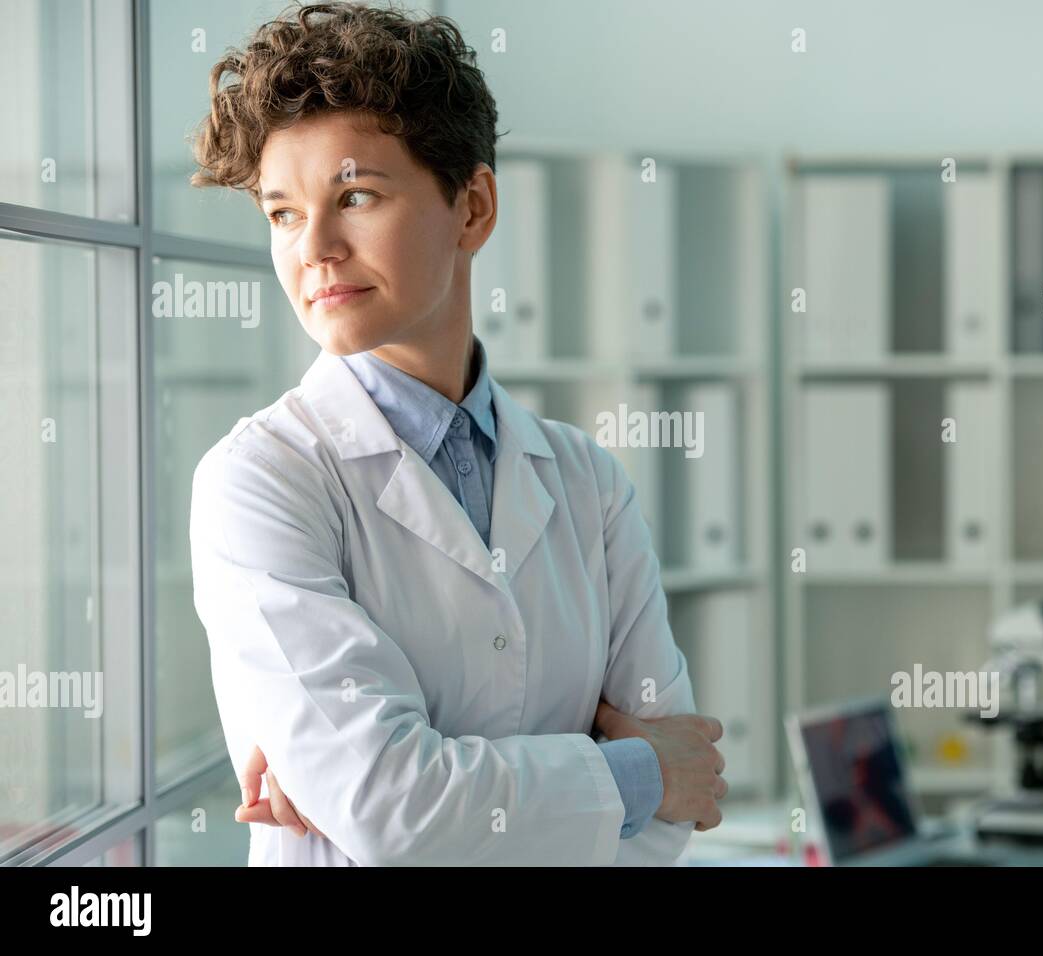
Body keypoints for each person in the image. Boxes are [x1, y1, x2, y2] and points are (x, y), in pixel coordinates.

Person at [187, 1, 726, 866]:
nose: (314, 248)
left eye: (355, 195)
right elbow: (394, 808)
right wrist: (628, 773)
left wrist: (636, 782)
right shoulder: (259, 481)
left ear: (472, 208)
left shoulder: (588, 482)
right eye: (282, 214)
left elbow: (679, 803)